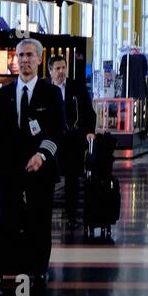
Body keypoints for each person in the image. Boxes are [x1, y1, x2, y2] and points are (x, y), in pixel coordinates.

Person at [0, 38, 63, 296]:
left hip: (41, 167)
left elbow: (56, 130)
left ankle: (38, 269)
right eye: (21, 55)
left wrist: (42, 155)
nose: (24, 60)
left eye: (29, 55)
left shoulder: (51, 94)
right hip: (9, 169)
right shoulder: (3, 94)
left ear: (39, 59)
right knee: (7, 219)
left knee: (39, 219)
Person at [49, 54, 96, 227]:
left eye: (63, 68)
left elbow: (89, 112)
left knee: (72, 179)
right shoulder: (45, 90)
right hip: (52, 141)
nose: (61, 72)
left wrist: (89, 131)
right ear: (51, 71)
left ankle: (71, 216)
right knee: (47, 178)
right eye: (57, 69)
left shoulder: (77, 88)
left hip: (73, 139)